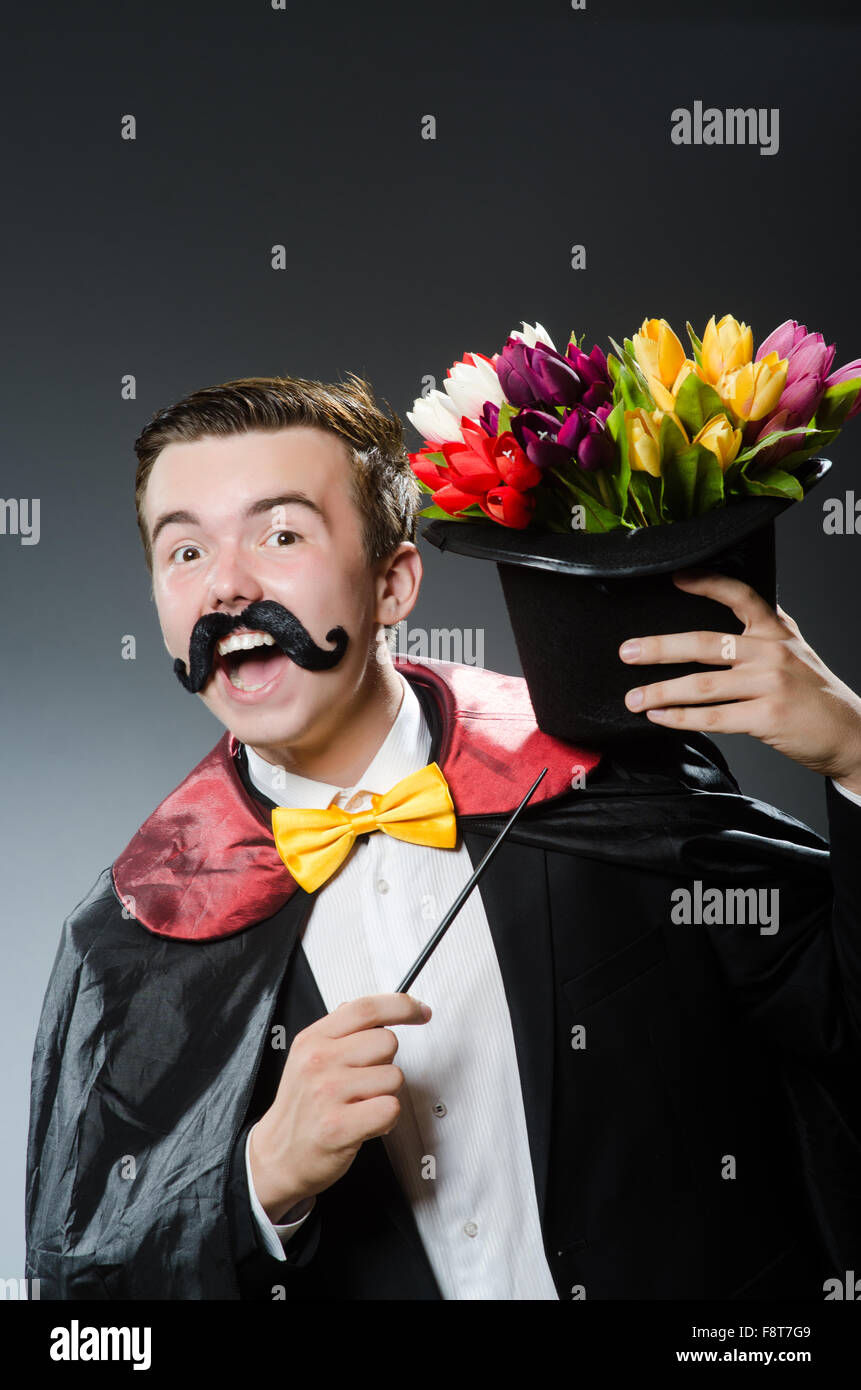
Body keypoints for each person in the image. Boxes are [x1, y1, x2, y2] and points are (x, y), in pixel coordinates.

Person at [25, 373, 861, 1300]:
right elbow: (89, 1303)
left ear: (393, 583)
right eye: (183, 551)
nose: (225, 584)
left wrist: (856, 756)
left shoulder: (606, 783)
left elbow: (843, 1029)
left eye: (282, 534)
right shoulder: (140, 929)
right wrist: (260, 1182)